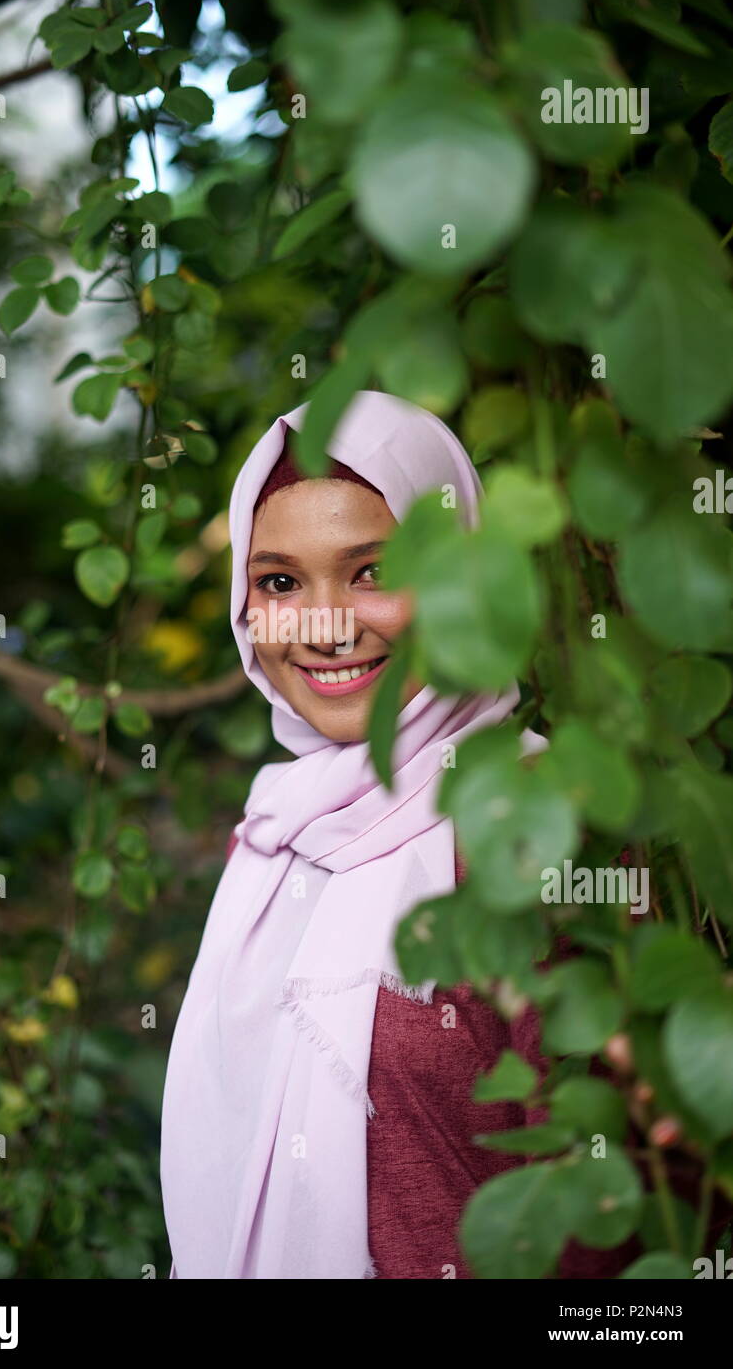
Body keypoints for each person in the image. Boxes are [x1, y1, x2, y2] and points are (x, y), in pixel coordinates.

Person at [159, 390, 633, 1279]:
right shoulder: (271, 836)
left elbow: (610, 1229)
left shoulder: (539, 832)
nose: (327, 624)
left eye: (373, 572)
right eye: (281, 582)